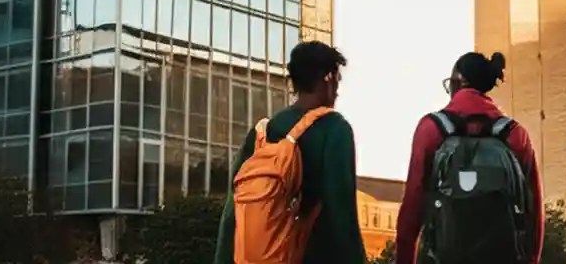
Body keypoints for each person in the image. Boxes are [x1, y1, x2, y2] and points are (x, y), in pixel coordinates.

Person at [214, 41, 368, 264]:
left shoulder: (262, 132)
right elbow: (342, 219)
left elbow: (232, 214)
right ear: (329, 78)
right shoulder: (335, 129)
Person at [395, 52, 544, 264]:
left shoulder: (432, 129)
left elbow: (412, 205)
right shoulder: (514, 135)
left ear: (459, 80)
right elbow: (533, 209)